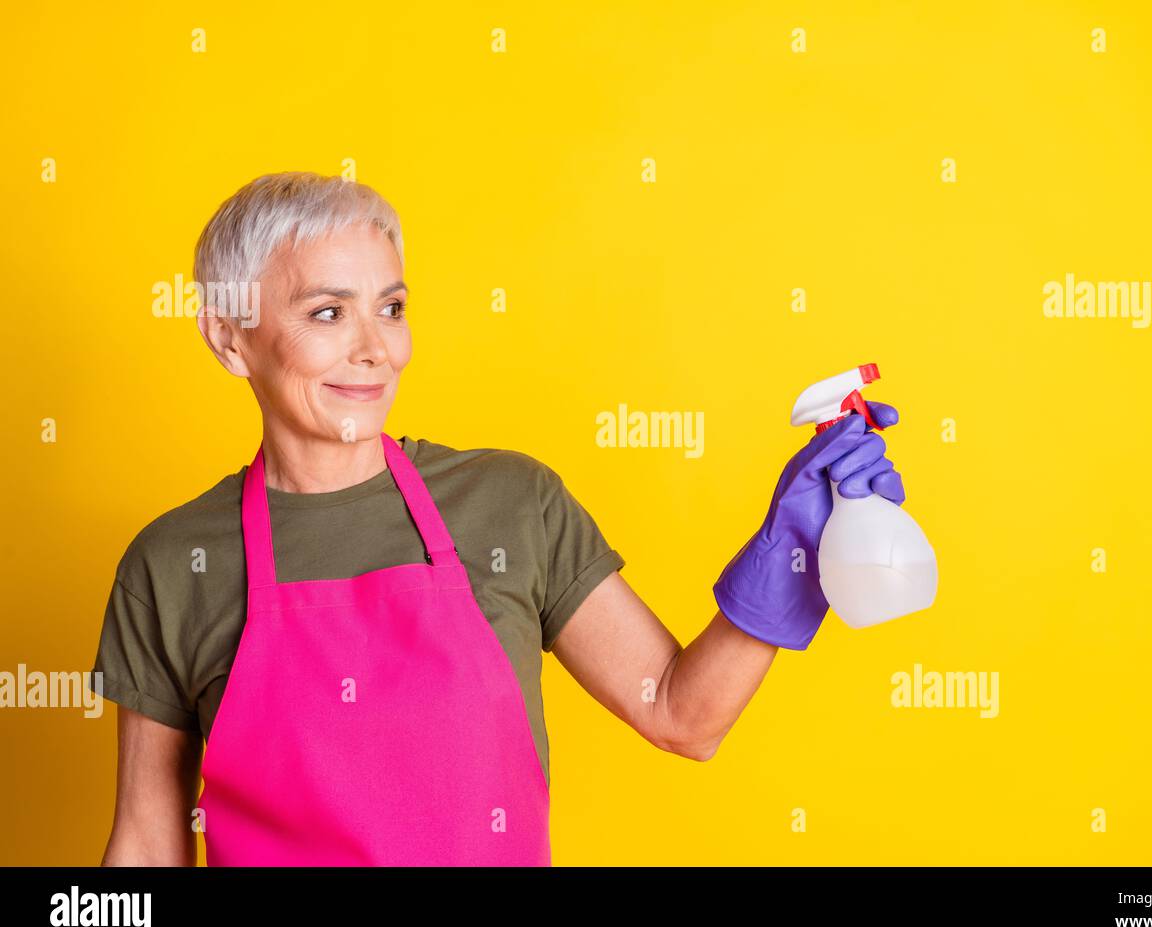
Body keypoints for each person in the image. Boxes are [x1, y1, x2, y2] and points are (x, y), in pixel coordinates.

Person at [92, 171, 906, 866]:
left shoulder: (510, 503)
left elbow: (681, 716)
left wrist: (791, 554)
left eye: (394, 306)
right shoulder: (172, 564)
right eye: (328, 314)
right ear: (231, 340)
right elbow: (145, 846)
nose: (378, 348)